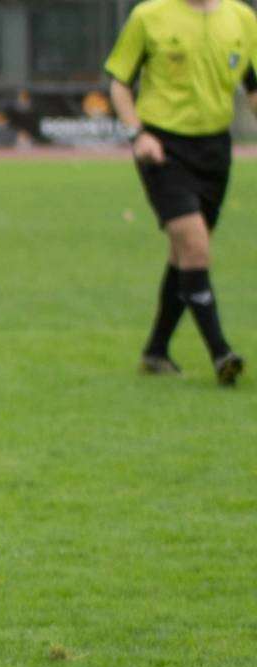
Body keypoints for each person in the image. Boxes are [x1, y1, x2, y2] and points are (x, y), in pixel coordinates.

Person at [106, 0, 254, 385]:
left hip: (215, 150)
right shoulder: (149, 16)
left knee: (185, 254)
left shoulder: (242, 19)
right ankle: (221, 353)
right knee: (195, 245)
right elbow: (119, 83)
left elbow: (253, 87)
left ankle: (156, 352)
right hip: (162, 146)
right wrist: (137, 134)